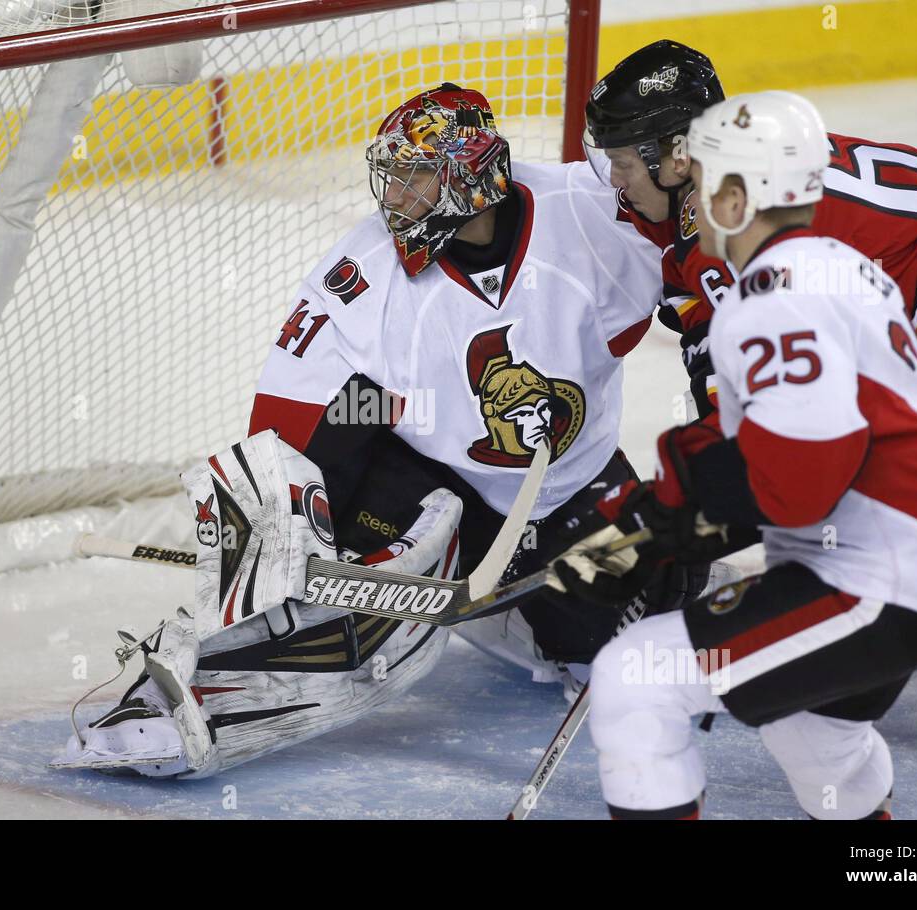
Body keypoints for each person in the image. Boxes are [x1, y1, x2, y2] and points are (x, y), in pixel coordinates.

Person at [54, 84, 676, 779]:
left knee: (606, 647)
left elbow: (713, 278)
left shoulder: (592, 214)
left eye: (415, 177)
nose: (395, 198)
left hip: (567, 483)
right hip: (432, 475)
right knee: (325, 524)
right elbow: (283, 430)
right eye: (394, 177)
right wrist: (286, 538)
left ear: (472, 178)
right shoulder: (361, 275)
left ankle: (505, 609)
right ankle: (197, 691)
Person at [554, 90, 917, 819]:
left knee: (635, 676)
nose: (690, 200)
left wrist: (661, 533)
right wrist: (655, 508)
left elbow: (798, 482)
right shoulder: (833, 262)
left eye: (702, 180)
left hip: (891, 564)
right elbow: (773, 439)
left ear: (739, 198)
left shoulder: (775, 297)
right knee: (813, 729)